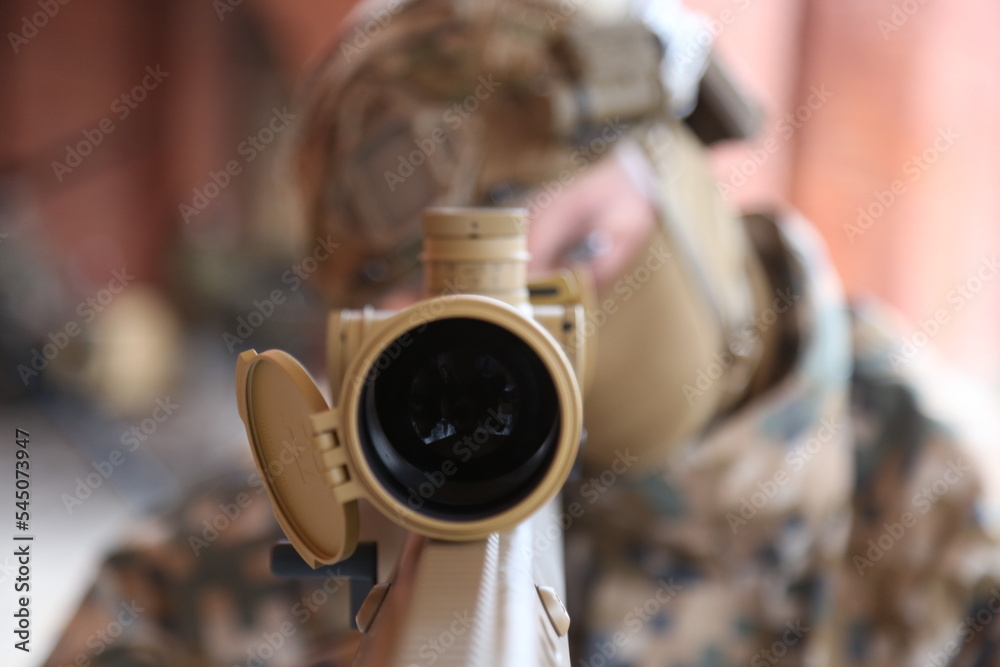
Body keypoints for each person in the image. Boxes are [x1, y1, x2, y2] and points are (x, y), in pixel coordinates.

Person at [45, 0, 1000, 666]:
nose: (517, 355)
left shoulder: (959, 542)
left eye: (583, 246)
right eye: (444, 321)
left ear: (689, 192)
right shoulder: (201, 590)